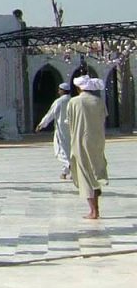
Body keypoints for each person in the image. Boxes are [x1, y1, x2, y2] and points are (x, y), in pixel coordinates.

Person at [68, 76, 109, 220]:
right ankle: (96, 209)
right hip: (97, 140)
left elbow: (70, 122)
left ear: (79, 88)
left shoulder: (74, 102)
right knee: (95, 172)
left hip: (80, 141)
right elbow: (103, 119)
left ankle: (93, 211)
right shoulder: (99, 102)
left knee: (85, 175)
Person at [36, 82, 72, 179]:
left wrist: (42, 124)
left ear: (62, 91)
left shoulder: (59, 101)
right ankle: (66, 172)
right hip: (72, 129)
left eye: (59, 90)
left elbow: (50, 114)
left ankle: (69, 165)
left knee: (59, 150)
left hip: (61, 129)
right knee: (69, 150)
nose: (58, 91)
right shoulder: (73, 100)